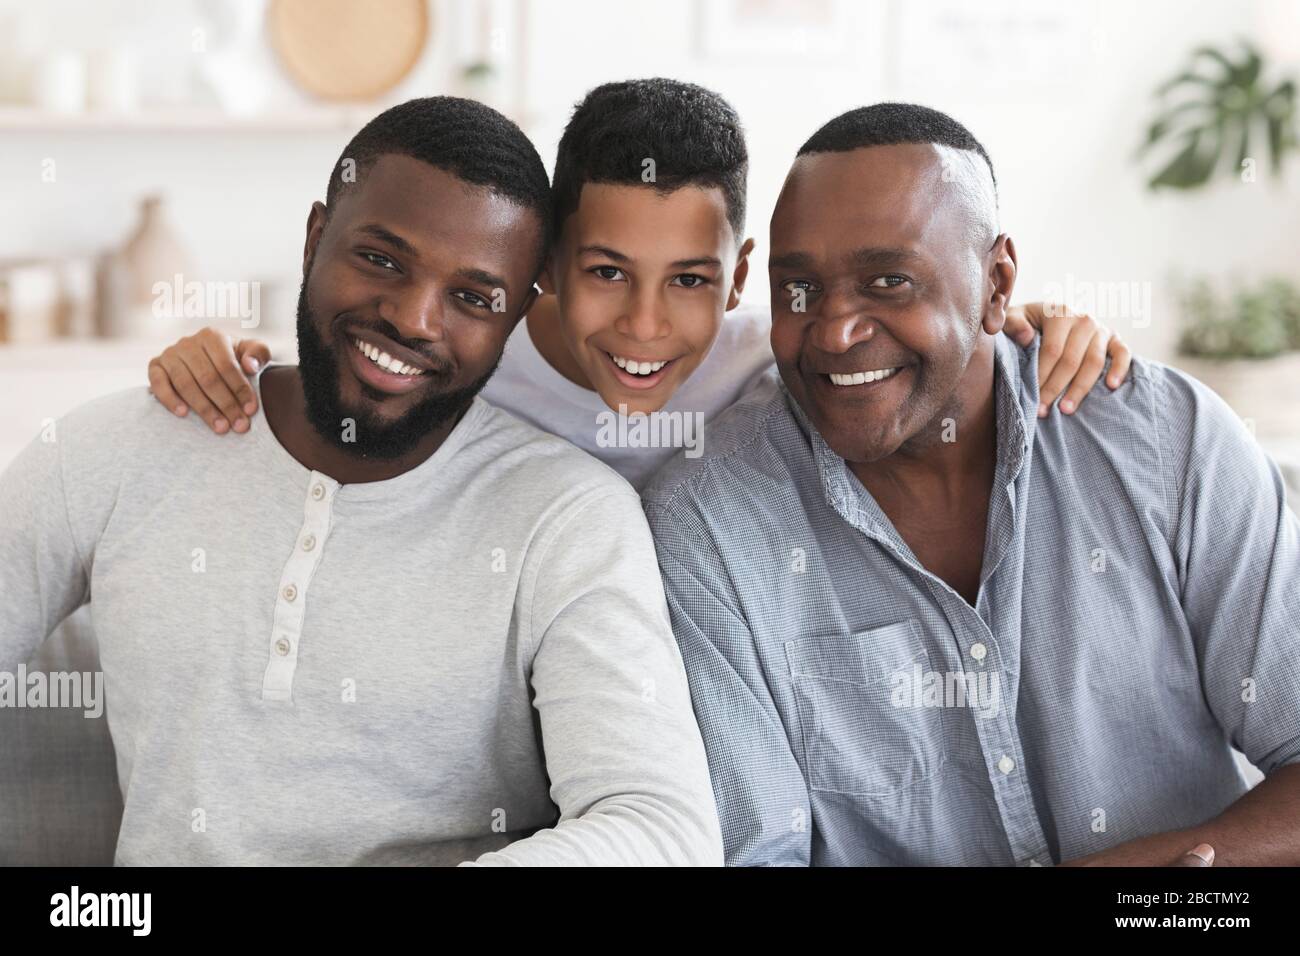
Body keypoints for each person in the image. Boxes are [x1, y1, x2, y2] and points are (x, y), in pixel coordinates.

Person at [0, 97, 722, 866]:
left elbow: (660, 830)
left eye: (472, 298)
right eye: (381, 259)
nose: (414, 318)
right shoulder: (116, 446)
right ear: (316, 238)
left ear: (516, 316)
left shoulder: (569, 519)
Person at [641, 102, 1300, 866]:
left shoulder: (1167, 441)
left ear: (997, 284)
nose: (834, 330)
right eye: (799, 290)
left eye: (888, 281)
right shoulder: (710, 522)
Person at [144, 80, 1130, 490]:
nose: (647, 327)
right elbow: (346, 380)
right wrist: (229, 359)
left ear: (741, 276)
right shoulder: (469, 358)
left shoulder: (780, 362)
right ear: (547, 267)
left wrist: (1030, 326)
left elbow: (933, 349)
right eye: (607, 272)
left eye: (691, 279)